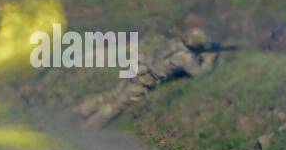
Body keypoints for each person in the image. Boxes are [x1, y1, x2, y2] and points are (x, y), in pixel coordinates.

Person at [74, 28, 221, 129]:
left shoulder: (174, 43)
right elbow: (199, 73)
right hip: (145, 80)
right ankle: (88, 129)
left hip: (137, 68)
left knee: (110, 95)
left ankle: (80, 111)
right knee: (116, 106)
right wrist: (209, 57)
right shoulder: (185, 58)